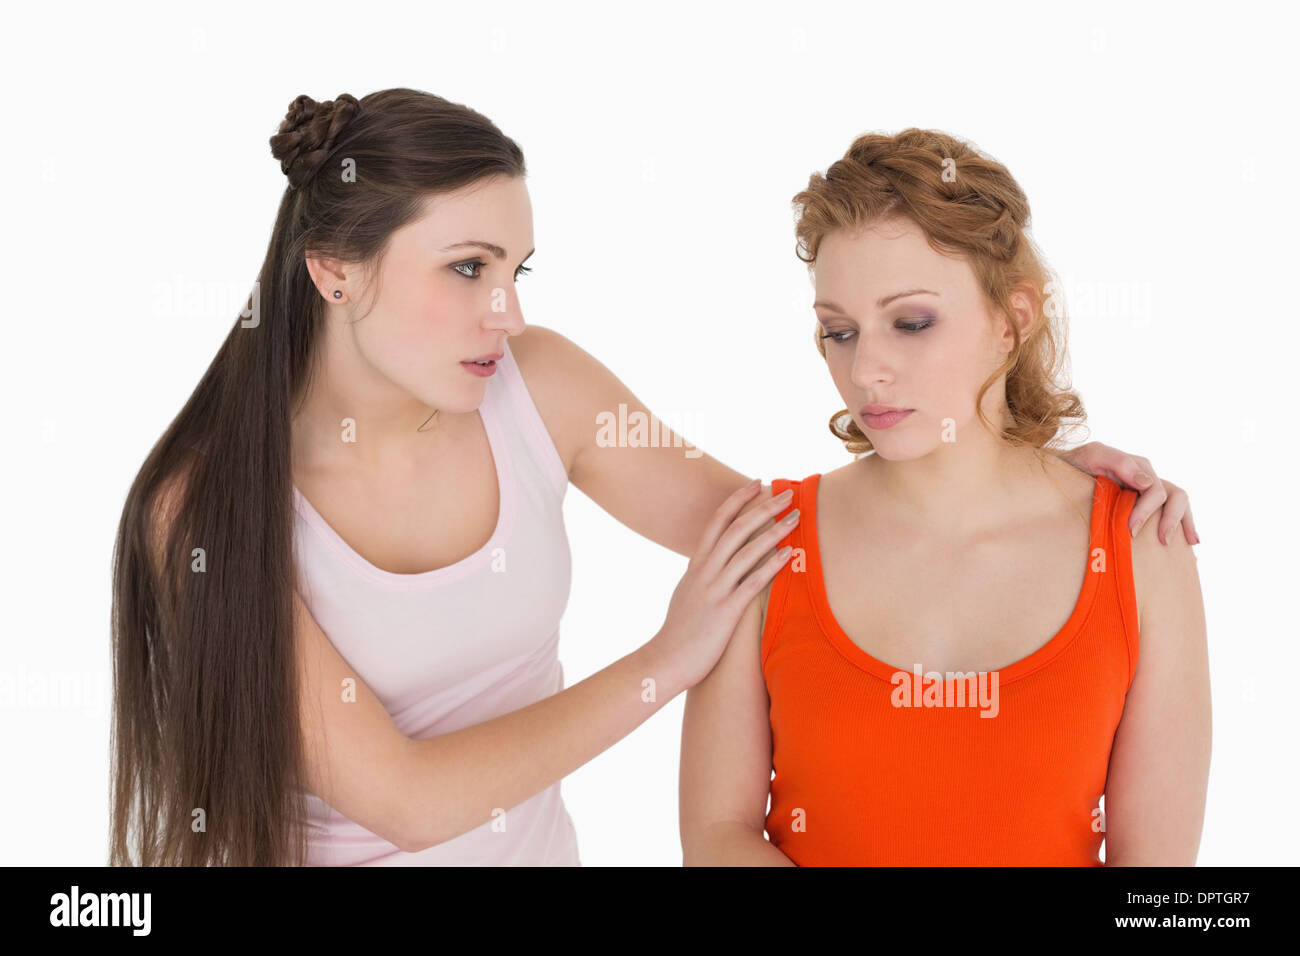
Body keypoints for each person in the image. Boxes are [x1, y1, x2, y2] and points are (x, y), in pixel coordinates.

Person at [109, 92, 1197, 866]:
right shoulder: (200, 510)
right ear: (333, 270)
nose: (511, 310)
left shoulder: (531, 385)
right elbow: (404, 799)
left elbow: (777, 531)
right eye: (468, 269)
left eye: (516, 269)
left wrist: (1040, 468)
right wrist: (665, 660)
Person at [678, 128, 1210, 866]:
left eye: (912, 322)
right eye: (838, 331)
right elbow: (714, 836)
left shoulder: (1140, 544)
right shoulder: (768, 540)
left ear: (1013, 321)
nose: (866, 370)